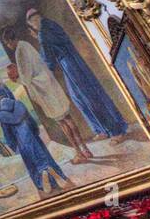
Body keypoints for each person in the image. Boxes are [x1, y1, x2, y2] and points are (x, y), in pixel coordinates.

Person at [28, 9, 128, 140]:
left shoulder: (43, 32)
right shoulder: (51, 25)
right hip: (74, 60)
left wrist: (42, 71)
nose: (34, 25)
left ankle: (115, 132)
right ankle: (103, 129)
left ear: (36, 20)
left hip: (69, 65)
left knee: (88, 97)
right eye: (32, 23)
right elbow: (53, 45)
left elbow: (48, 59)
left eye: (33, 22)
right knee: (83, 97)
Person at [4, 28, 94, 162]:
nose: (8, 46)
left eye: (7, 43)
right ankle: (86, 149)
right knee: (68, 118)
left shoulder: (19, 52)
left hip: (43, 90)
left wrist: (15, 78)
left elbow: (26, 79)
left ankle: (79, 153)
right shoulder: (26, 45)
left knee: (62, 123)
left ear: (10, 40)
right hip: (49, 83)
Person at [0, 69, 68, 193]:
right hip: (23, 124)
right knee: (40, 152)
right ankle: (50, 172)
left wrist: (13, 145)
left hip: (7, 120)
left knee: (29, 156)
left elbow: (7, 133)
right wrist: (35, 131)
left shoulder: (2, 86)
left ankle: (42, 178)